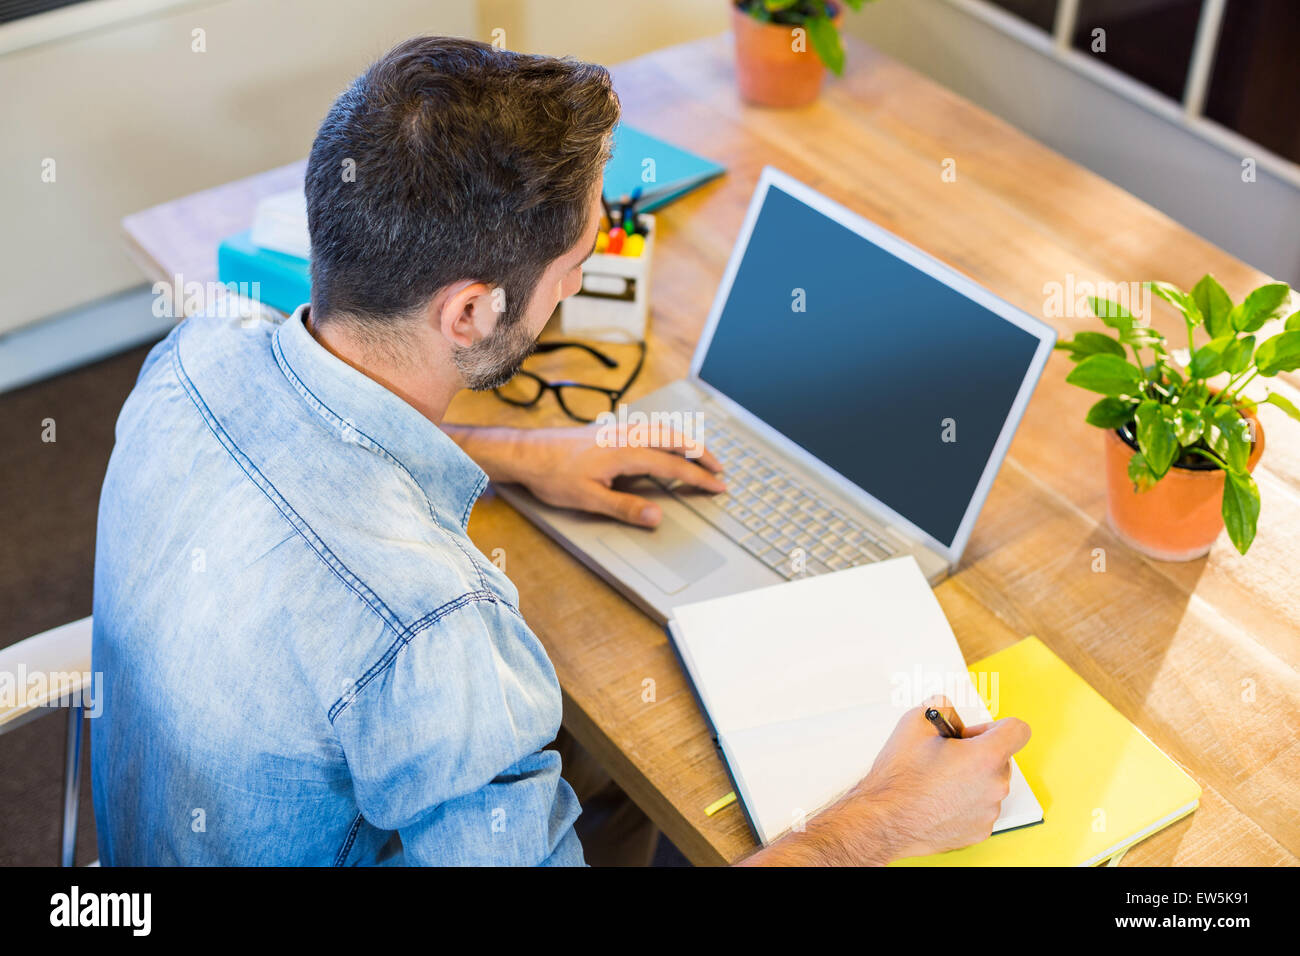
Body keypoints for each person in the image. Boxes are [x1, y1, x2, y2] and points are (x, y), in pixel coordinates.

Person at [91, 36, 1028, 866]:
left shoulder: (198, 351)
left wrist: (522, 453)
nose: (581, 280)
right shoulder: (435, 629)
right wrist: (883, 823)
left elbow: (319, 437)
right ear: (470, 312)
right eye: (574, 265)